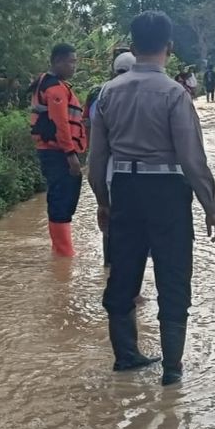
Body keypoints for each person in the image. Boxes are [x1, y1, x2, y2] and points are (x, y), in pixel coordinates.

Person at [89, 11, 215, 385]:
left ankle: (126, 357)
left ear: (132, 46)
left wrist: (103, 200)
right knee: (173, 276)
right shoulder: (174, 95)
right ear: (169, 48)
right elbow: (192, 159)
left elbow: (96, 159)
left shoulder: (106, 94)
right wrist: (211, 205)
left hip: (126, 194)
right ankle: (172, 369)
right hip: (168, 195)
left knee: (123, 275)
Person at [30, 43, 88, 257]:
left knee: (60, 197)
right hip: (58, 153)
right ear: (57, 62)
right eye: (70, 62)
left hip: (51, 151)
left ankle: (61, 248)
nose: (74, 66)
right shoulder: (55, 89)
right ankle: (64, 253)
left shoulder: (46, 83)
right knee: (62, 199)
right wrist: (71, 155)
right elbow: (61, 124)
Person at [85, 50, 137, 270]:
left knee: (110, 219)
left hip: (109, 170)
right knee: (133, 228)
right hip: (138, 174)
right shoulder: (142, 93)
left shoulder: (101, 94)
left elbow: (91, 133)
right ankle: (130, 281)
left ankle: (110, 267)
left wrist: (99, 197)